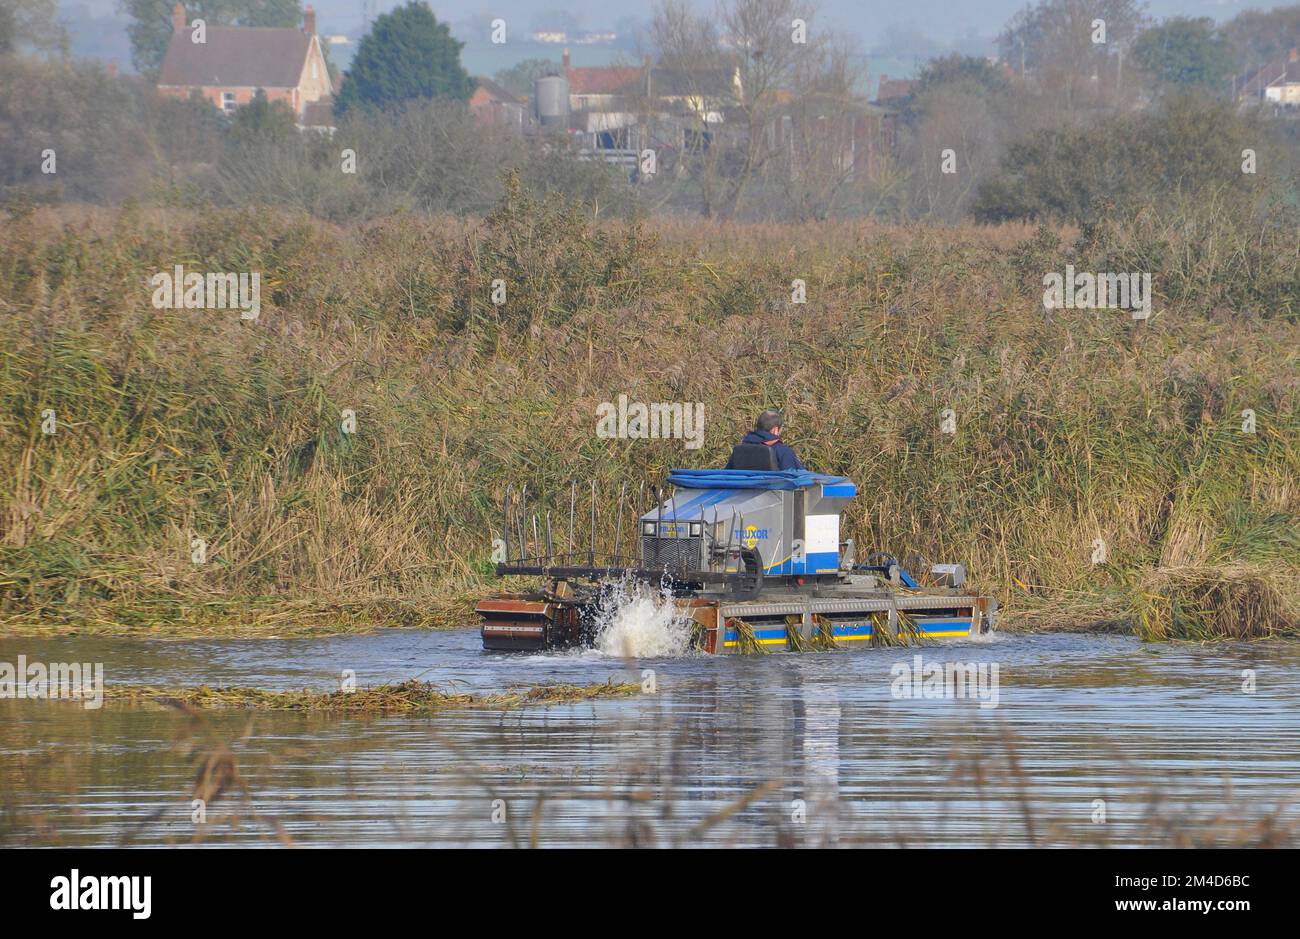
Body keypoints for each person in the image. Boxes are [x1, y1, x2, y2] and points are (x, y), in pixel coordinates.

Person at [729, 409, 807, 471]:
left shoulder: (739, 449)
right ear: (775, 430)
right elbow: (795, 477)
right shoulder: (783, 451)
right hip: (774, 491)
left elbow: (728, 473)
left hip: (742, 490)